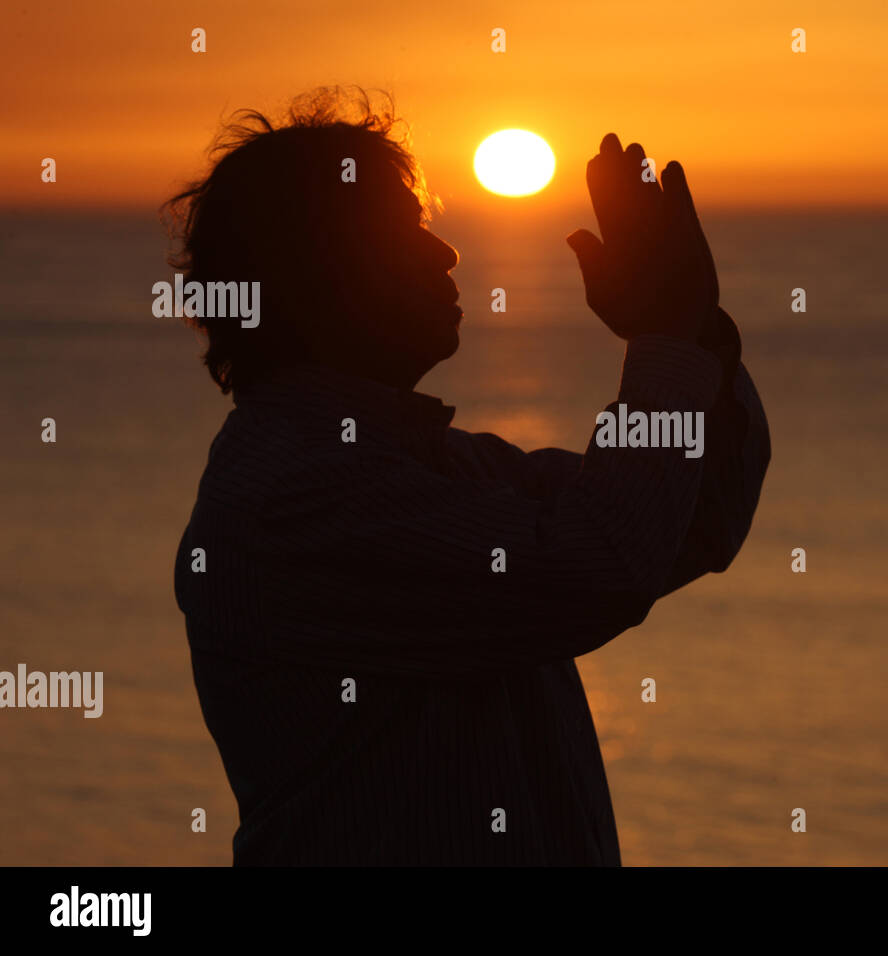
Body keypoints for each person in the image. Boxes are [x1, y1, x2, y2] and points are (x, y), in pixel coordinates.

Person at [169, 89, 770, 864]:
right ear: (317, 272)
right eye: (402, 231)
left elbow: (691, 521)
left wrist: (696, 331)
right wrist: (665, 334)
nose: (445, 254)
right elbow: (599, 566)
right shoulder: (293, 494)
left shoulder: (425, 465)